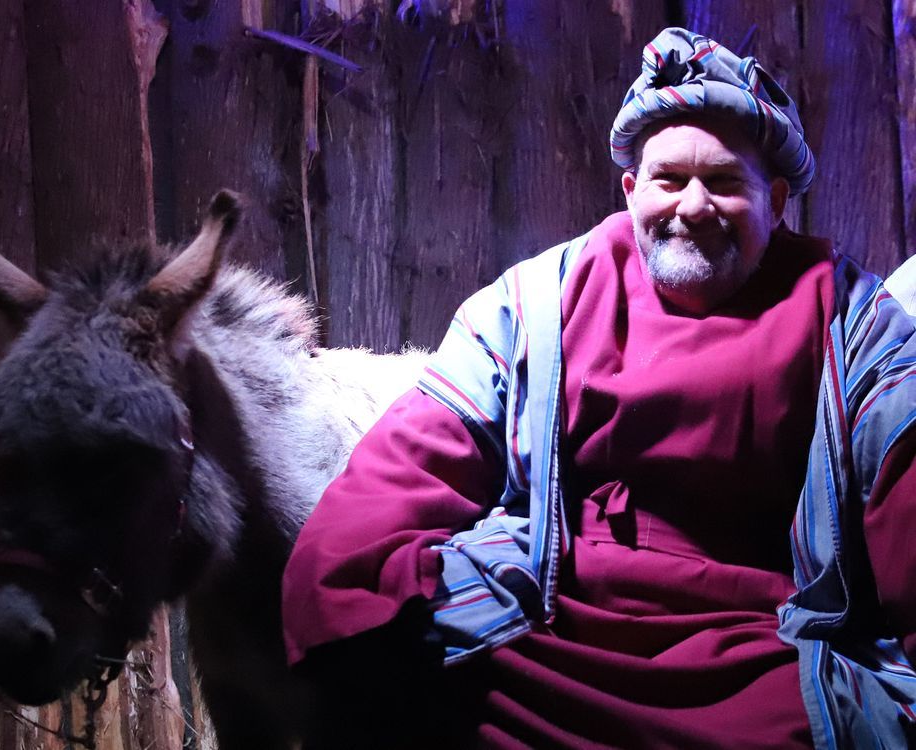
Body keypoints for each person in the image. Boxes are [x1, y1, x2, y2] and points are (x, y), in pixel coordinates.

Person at [282, 28, 916, 748]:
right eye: (669, 180)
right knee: (405, 675)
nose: (693, 206)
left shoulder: (852, 321)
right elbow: (416, 457)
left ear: (774, 201)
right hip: (553, 616)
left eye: (724, 183)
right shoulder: (536, 302)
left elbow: (907, 497)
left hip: (758, 645)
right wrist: (343, 591)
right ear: (631, 190)